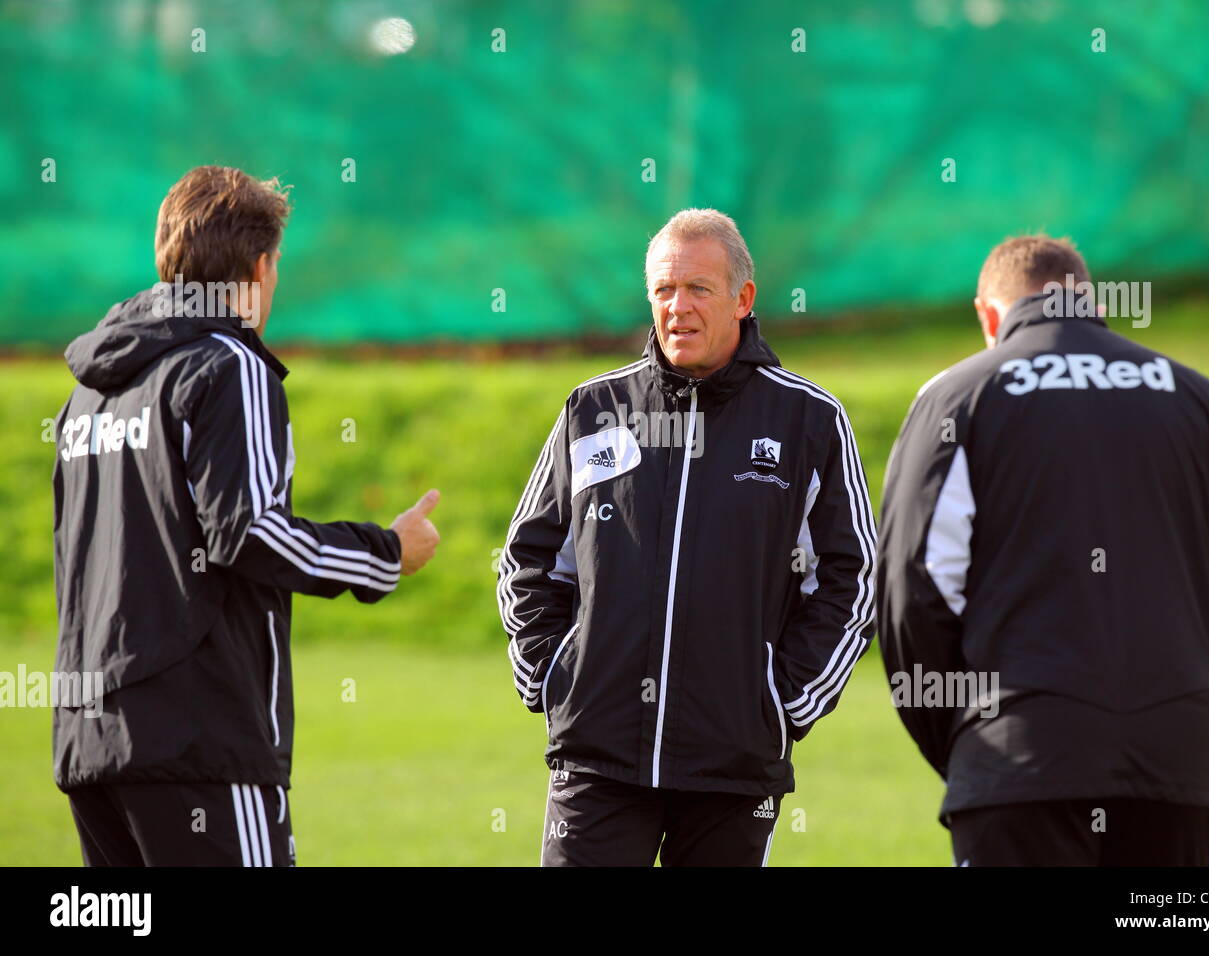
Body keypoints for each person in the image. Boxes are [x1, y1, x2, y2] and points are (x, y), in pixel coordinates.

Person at [51, 165, 441, 866]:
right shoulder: (228, 364)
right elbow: (250, 533)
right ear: (260, 267)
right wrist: (385, 551)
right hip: (199, 737)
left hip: (91, 739)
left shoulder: (90, 394)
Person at [498, 208, 877, 866]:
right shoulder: (595, 409)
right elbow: (529, 560)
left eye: (699, 289)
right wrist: (553, 674)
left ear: (742, 298)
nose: (678, 308)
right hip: (597, 758)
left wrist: (782, 701)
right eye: (664, 291)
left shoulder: (808, 419)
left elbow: (856, 578)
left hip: (733, 767)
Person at [876, 235, 1209, 866]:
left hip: (1019, 759)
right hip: (1175, 765)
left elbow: (913, 587)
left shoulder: (957, 397)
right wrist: (1189, 702)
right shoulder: (1202, 399)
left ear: (988, 314)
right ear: (1089, 300)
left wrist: (963, 733)